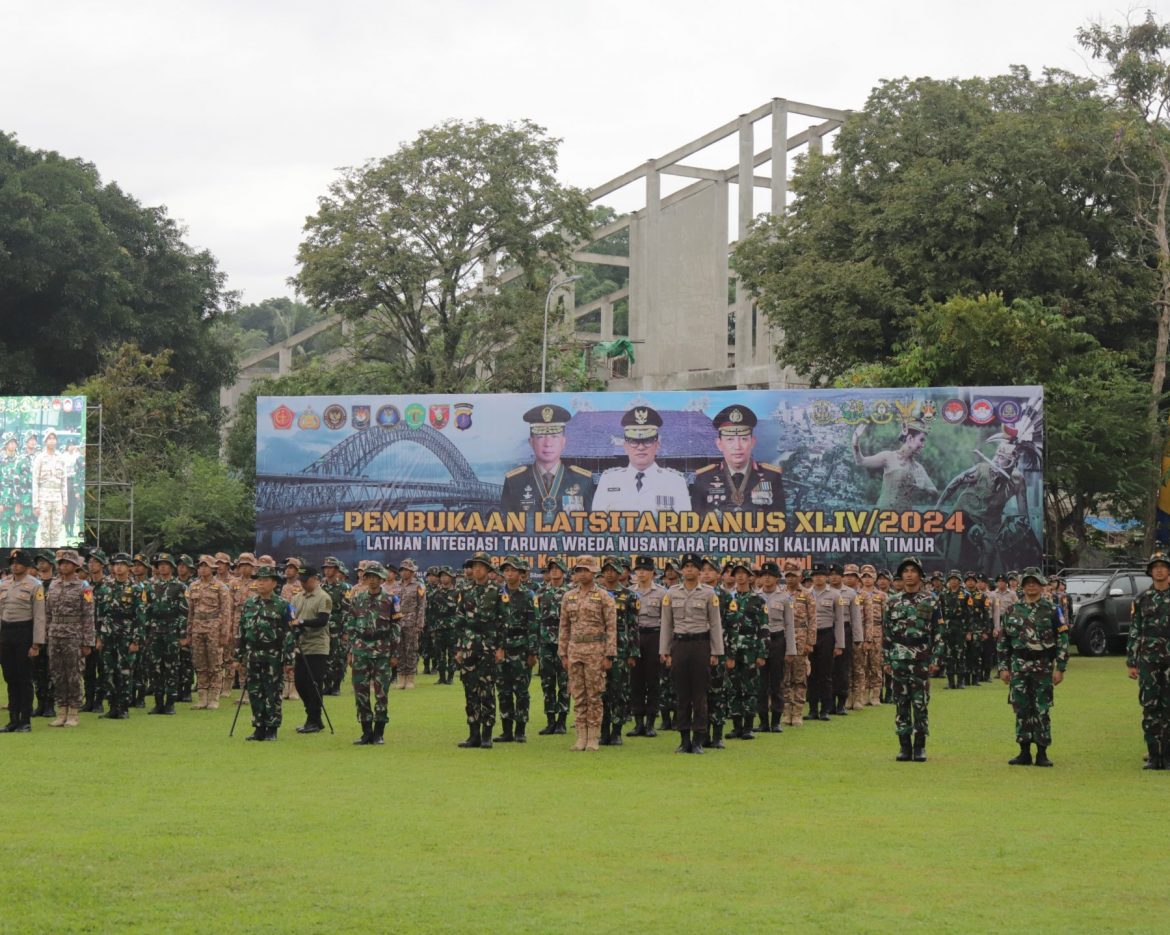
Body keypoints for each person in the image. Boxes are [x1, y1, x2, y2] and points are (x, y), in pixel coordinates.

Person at [997, 566, 1069, 767]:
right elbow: (1003, 641)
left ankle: (1042, 752)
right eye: (1027, 583)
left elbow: (1063, 639)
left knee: (1042, 709)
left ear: (1042, 585)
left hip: (1042, 665)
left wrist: (1060, 667)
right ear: (1022, 586)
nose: (1031, 586)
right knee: (1021, 708)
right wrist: (1003, 667)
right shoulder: (1012, 610)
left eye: (1035, 582)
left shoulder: (1052, 610)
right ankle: (1024, 751)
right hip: (1019, 666)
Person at [660, 552, 723, 754]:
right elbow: (667, 623)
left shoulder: (709, 593)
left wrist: (716, 651)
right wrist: (665, 650)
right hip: (679, 645)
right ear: (681, 570)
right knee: (682, 695)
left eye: (693, 567)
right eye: (686, 566)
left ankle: (698, 740)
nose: (689, 570)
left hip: (700, 645)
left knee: (699, 695)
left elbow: (715, 624)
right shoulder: (671, 593)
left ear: (699, 571)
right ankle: (684, 739)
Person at [882, 556, 942, 762]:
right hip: (899, 657)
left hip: (921, 658)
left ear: (920, 575)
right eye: (905, 571)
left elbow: (938, 632)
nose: (909, 575)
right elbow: (887, 633)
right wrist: (886, 660)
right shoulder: (892, 601)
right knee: (901, 702)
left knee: (920, 702)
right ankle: (904, 746)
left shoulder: (930, 600)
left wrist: (936, 658)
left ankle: (920, 746)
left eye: (913, 571)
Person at [558, 555, 617, 752]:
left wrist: (609, 655)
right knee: (578, 694)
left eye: (586, 570)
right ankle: (580, 737)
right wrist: (563, 653)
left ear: (594, 572)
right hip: (575, 650)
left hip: (595, 651)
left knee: (594, 695)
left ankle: (593, 737)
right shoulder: (568, 596)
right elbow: (564, 626)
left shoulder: (604, 596)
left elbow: (611, 627)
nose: (582, 574)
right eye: (579, 570)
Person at [236, 565, 299, 741]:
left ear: (274, 583)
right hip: (253, 654)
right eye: (259, 580)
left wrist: (289, 659)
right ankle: (258, 727)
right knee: (254, 691)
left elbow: (290, 633)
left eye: (265, 580)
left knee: (272, 692)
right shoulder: (249, 604)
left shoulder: (284, 605)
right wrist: (237, 656)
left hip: (273, 655)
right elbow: (242, 631)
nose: (261, 583)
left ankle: (272, 728)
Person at [500, 404, 594, 517]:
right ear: (531, 442)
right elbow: (505, 524)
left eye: (554, 436)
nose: (548, 444)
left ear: (563, 442)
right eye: (540, 437)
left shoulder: (583, 480)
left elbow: (591, 524)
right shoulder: (514, 481)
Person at [691, 404, 786, 515]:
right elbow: (696, 521)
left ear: (752, 442)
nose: (737, 446)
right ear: (719, 444)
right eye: (730, 439)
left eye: (744, 439)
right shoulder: (704, 478)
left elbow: (780, 519)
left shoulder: (771, 476)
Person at [593, 406, 691, 513]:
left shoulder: (675, 482)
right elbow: (597, 520)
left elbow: (685, 522)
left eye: (647, 441)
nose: (640, 447)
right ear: (625, 446)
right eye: (633, 441)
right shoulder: (608, 480)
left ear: (657, 445)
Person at [36, 548, 95, 727]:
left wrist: (87, 641)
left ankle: (74, 712)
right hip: (55, 634)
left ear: (76, 566)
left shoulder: (84, 587)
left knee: (73, 674)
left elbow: (88, 615)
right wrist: (45, 635)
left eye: (68, 563)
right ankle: (61, 711)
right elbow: (47, 612)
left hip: (74, 635)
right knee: (57, 674)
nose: (64, 566)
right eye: (62, 563)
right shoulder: (53, 585)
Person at [454, 552, 505, 749]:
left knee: (487, 690)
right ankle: (473, 734)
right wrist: (460, 647)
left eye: (480, 566)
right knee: (470, 690)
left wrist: (500, 647)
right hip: (469, 646)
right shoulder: (465, 590)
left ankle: (487, 734)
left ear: (488, 569)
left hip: (488, 646)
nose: (476, 569)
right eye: (474, 566)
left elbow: (503, 621)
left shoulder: (497, 590)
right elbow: (459, 619)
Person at [1128, 549, 1170, 769]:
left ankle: (1168, 755)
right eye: (1156, 567)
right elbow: (1135, 631)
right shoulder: (1142, 599)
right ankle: (1154, 755)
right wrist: (1131, 661)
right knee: (1150, 706)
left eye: (1163, 567)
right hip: (1148, 661)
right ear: (1150, 572)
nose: (1159, 570)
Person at [0, 549, 46, 732]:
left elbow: (39, 616)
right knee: (10, 677)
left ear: (27, 565)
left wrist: (36, 643)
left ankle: (25, 720)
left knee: (24, 678)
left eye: (18, 562)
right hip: (6, 633)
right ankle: (13, 719)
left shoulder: (35, 585)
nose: (14, 565)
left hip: (24, 632)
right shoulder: (4, 584)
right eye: (12, 562)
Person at [722, 559, 767, 739]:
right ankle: (736, 727)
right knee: (733, 689)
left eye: (743, 573)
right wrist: (725, 652)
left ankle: (748, 727)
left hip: (750, 650)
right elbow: (723, 626)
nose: (740, 576)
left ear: (750, 576)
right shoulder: (728, 599)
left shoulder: (758, 600)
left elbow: (764, 628)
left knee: (750, 688)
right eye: (737, 573)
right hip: (732, 650)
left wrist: (762, 653)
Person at [852, 417, 938, 512]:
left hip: (906, 519)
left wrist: (922, 487)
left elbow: (934, 491)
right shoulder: (888, 457)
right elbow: (860, 461)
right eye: (921, 440)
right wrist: (855, 443)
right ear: (910, 438)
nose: (923, 445)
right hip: (882, 517)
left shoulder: (918, 468)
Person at [97, 553, 146, 720]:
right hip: (108, 634)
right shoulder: (106, 587)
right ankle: (112, 706)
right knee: (108, 671)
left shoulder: (136, 588)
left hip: (126, 634)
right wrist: (99, 637)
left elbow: (140, 616)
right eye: (115, 564)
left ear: (129, 567)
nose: (118, 567)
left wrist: (136, 640)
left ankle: (123, 707)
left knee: (124, 672)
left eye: (122, 564)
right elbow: (100, 613)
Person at [598, 556, 638, 745]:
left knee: (619, 691)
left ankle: (617, 731)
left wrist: (633, 652)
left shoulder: (629, 595)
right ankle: (603, 731)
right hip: (599, 647)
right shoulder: (596, 594)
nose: (609, 573)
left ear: (620, 572)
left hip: (621, 649)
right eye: (606, 570)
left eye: (613, 570)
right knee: (601, 691)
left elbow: (633, 625)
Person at [186, 555, 232, 710]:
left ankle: (214, 697)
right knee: (200, 663)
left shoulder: (220, 587)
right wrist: (188, 632)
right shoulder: (193, 586)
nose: (203, 569)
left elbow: (226, 612)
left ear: (213, 568)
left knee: (215, 663)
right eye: (201, 566)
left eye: (206, 566)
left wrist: (224, 633)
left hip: (214, 628)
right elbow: (190, 612)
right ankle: (202, 697)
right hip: (197, 627)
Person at [145, 553, 188, 716]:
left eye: (165, 564)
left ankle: (170, 703)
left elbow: (184, 612)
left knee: (171, 667)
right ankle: (158, 703)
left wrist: (182, 634)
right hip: (155, 630)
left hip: (171, 630)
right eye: (159, 564)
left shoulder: (179, 586)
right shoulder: (150, 586)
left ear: (171, 567)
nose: (162, 567)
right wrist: (146, 632)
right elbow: (146, 609)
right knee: (155, 667)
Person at [628, 556, 666, 738]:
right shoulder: (629, 592)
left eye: (645, 570)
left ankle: (650, 722)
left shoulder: (662, 593)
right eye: (639, 569)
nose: (641, 573)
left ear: (652, 573)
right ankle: (638, 723)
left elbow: (667, 621)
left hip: (654, 636)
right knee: (635, 680)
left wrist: (664, 647)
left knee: (653, 680)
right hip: (635, 636)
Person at [756, 561, 792, 732]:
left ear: (777, 578)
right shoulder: (755, 596)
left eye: (770, 575)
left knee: (777, 682)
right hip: (760, 642)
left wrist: (790, 650)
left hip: (778, 640)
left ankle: (776, 720)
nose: (767, 578)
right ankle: (763, 721)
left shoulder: (785, 598)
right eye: (764, 575)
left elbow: (789, 625)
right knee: (761, 684)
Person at [535, 558, 570, 735]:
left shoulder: (571, 592)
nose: (554, 571)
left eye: (558, 568)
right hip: (545, 643)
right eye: (551, 569)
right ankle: (550, 721)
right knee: (547, 683)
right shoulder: (541, 592)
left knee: (564, 683)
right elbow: (536, 619)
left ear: (564, 571)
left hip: (565, 643)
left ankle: (562, 721)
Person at [806, 564, 845, 721]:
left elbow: (839, 621)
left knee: (826, 674)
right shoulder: (805, 594)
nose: (818, 578)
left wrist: (839, 644)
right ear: (812, 577)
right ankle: (812, 709)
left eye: (821, 575)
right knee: (811, 674)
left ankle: (825, 710)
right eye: (815, 575)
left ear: (826, 577)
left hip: (827, 635)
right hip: (809, 636)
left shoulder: (835, 595)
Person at [853, 564, 885, 707]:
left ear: (875, 578)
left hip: (878, 632)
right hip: (861, 631)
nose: (867, 579)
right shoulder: (856, 594)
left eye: (869, 577)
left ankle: (875, 695)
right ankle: (864, 694)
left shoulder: (881, 596)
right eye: (864, 577)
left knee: (876, 664)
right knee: (862, 664)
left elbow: (886, 617)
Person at [393, 558, 427, 690]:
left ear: (412, 572)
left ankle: (410, 677)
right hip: (398, 620)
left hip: (412, 620)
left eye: (406, 570)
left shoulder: (419, 586)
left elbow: (422, 605)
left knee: (411, 650)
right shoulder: (396, 585)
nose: (403, 572)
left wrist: (419, 623)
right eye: (402, 570)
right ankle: (401, 677)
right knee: (399, 650)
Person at [31, 430, 69, 547]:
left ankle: (54, 556)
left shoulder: (61, 458)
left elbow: (64, 482)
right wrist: (35, 504)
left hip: (57, 499)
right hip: (43, 498)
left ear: (56, 441)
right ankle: (44, 555)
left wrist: (65, 503)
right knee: (44, 533)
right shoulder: (40, 458)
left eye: (54, 438)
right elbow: (35, 482)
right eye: (49, 438)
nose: (52, 441)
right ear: (45, 441)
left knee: (56, 532)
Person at [320, 557, 351, 695]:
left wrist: (345, 631)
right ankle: (327, 684)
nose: (327, 570)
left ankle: (336, 685)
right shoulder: (320, 587)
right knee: (325, 656)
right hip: (323, 627)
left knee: (339, 656)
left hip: (338, 627)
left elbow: (347, 610)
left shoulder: (344, 588)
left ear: (337, 570)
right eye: (325, 568)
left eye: (330, 568)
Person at [938, 570, 970, 691]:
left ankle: (961, 682)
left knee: (961, 655)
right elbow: (939, 612)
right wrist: (940, 628)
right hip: (947, 628)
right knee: (948, 655)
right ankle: (950, 682)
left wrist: (969, 631)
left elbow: (969, 614)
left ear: (959, 581)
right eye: (951, 579)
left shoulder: (966, 595)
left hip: (961, 628)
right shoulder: (943, 594)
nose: (953, 581)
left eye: (956, 579)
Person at [429, 567, 459, 687]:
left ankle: (450, 677)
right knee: (439, 654)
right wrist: (431, 627)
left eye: (446, 576)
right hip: (438, 627)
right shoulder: (435, 592)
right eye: (441, 576)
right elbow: (430, 610)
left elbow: (458, 608)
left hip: (452, 627)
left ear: (451, 577)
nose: (443, 578)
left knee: (452, 654)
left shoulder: (457, 592)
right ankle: (441, 677)